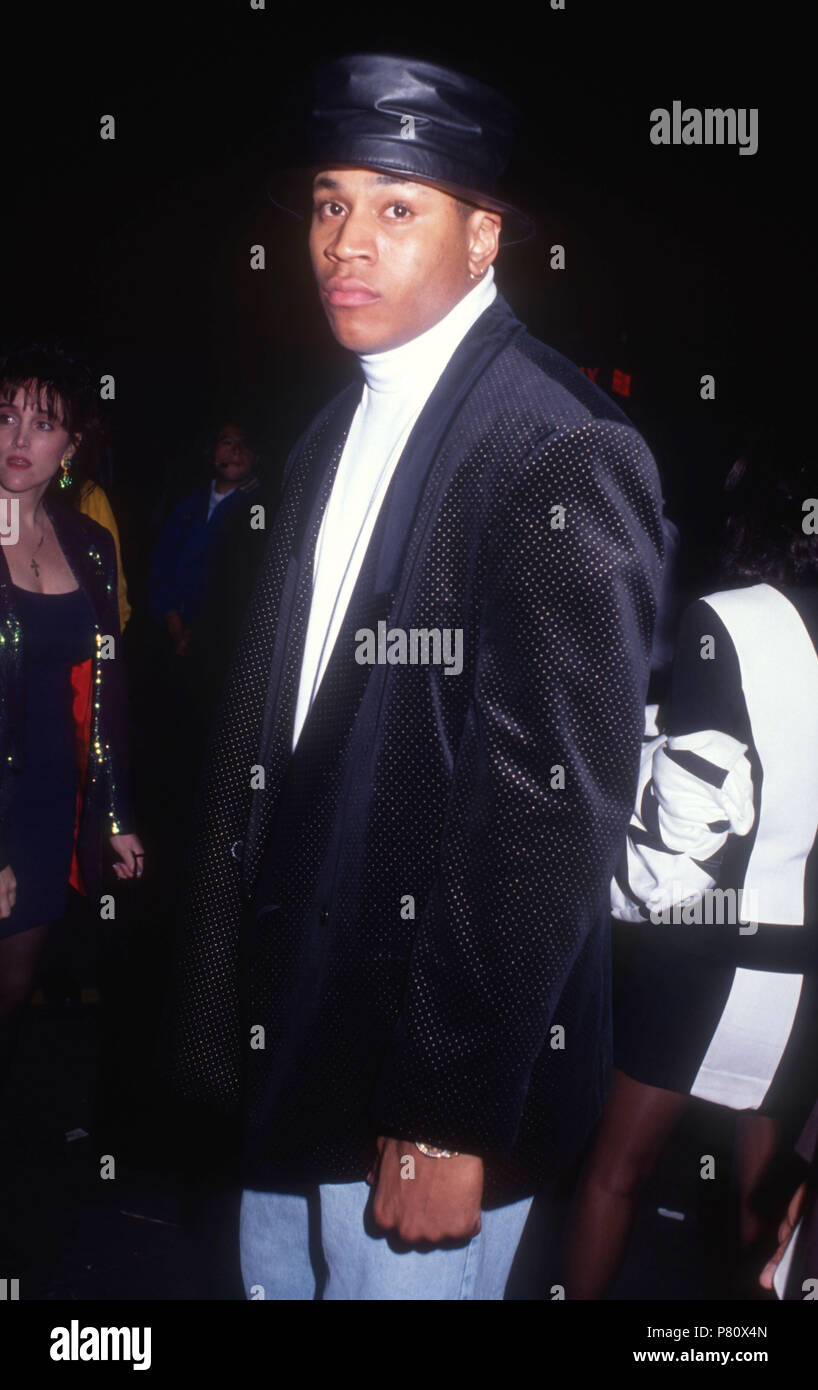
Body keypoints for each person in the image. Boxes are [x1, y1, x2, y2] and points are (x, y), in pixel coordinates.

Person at [160, 52, 663, 1300]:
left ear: (483, 235)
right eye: (331, 202)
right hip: (302, 1036)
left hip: (424, 1074)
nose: (346, 240)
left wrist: (449, 1108)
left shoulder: (558, 445)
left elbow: (548, 810)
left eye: (397, 206)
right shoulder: (335, 423)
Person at [565, 441, 818, 1299]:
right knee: (773, 1207)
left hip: (707, 944)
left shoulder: (730, 617)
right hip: (805, 955)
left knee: (615, 1173)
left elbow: (686, 829)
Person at [0, 343, 144, 1077]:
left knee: (13, 989)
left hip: (53, 802)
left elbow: (107, 681)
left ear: (70, 446)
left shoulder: (88, 543)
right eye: (6, 417)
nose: (20, 439)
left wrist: (115, 814)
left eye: (43, 423)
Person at [148, 419, 261, 657]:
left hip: (229, 644)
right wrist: (175, 626)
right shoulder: (186, 502)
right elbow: (160, 566)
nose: (237, 451)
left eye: (245, 444)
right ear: (211, 453)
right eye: (227, 442)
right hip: (171, 634)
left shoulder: (262, 508)